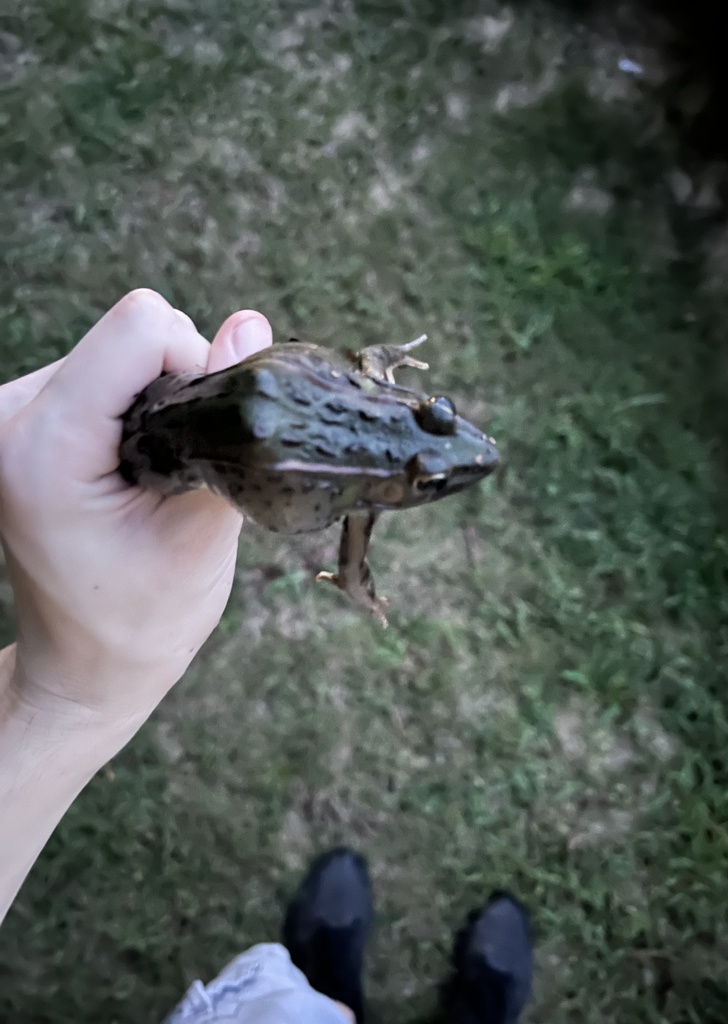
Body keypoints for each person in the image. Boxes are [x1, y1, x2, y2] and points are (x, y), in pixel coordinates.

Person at [0, 291, 533, 1024]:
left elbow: (363, 365)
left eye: (435, 411)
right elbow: (354, 547)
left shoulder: (376, 402)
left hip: (217, 402)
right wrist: (73, 700)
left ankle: (318, 982)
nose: (464, 441)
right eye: (430, 474)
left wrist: (386, 365)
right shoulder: (367, 488)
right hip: (196, 452)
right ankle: (351, 992)